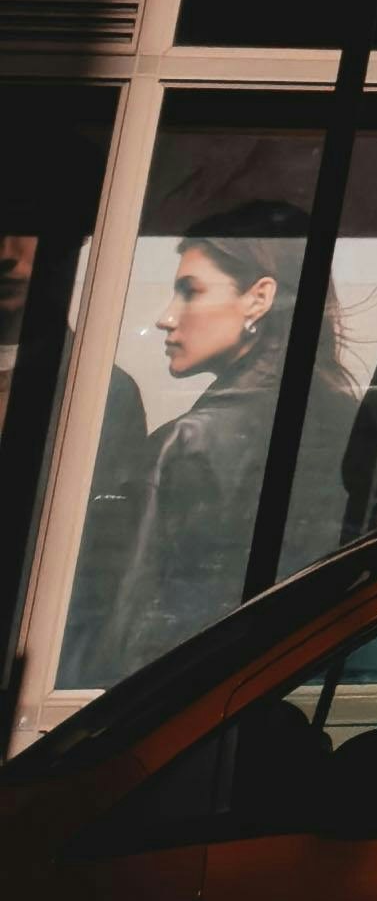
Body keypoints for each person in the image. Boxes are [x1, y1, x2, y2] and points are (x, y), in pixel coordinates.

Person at [85, 225, 301, 673]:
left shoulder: (185, 445)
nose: (166, 317)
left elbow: (123, 632)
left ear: (258, 298)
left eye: (190, 291)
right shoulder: (326, 412)